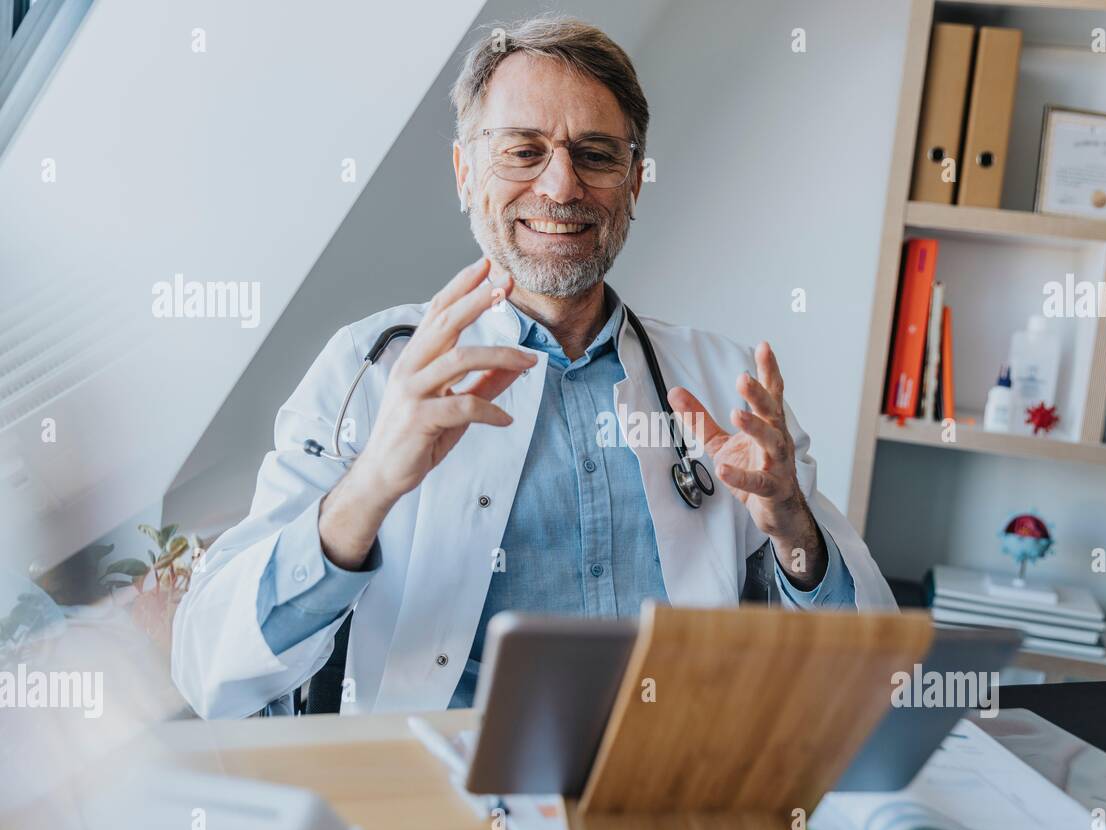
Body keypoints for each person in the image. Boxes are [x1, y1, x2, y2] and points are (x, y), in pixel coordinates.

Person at [171, 14, 895, 719]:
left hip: (666, 783)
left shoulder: (727, 383)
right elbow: (211, 669)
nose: (560, 186)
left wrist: (793, 527)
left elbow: (870, 669)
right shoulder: (368, 374)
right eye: (523, 151)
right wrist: (370, 487)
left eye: (597, 154)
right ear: (465, 173)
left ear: (635, 183)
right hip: (439, 803)